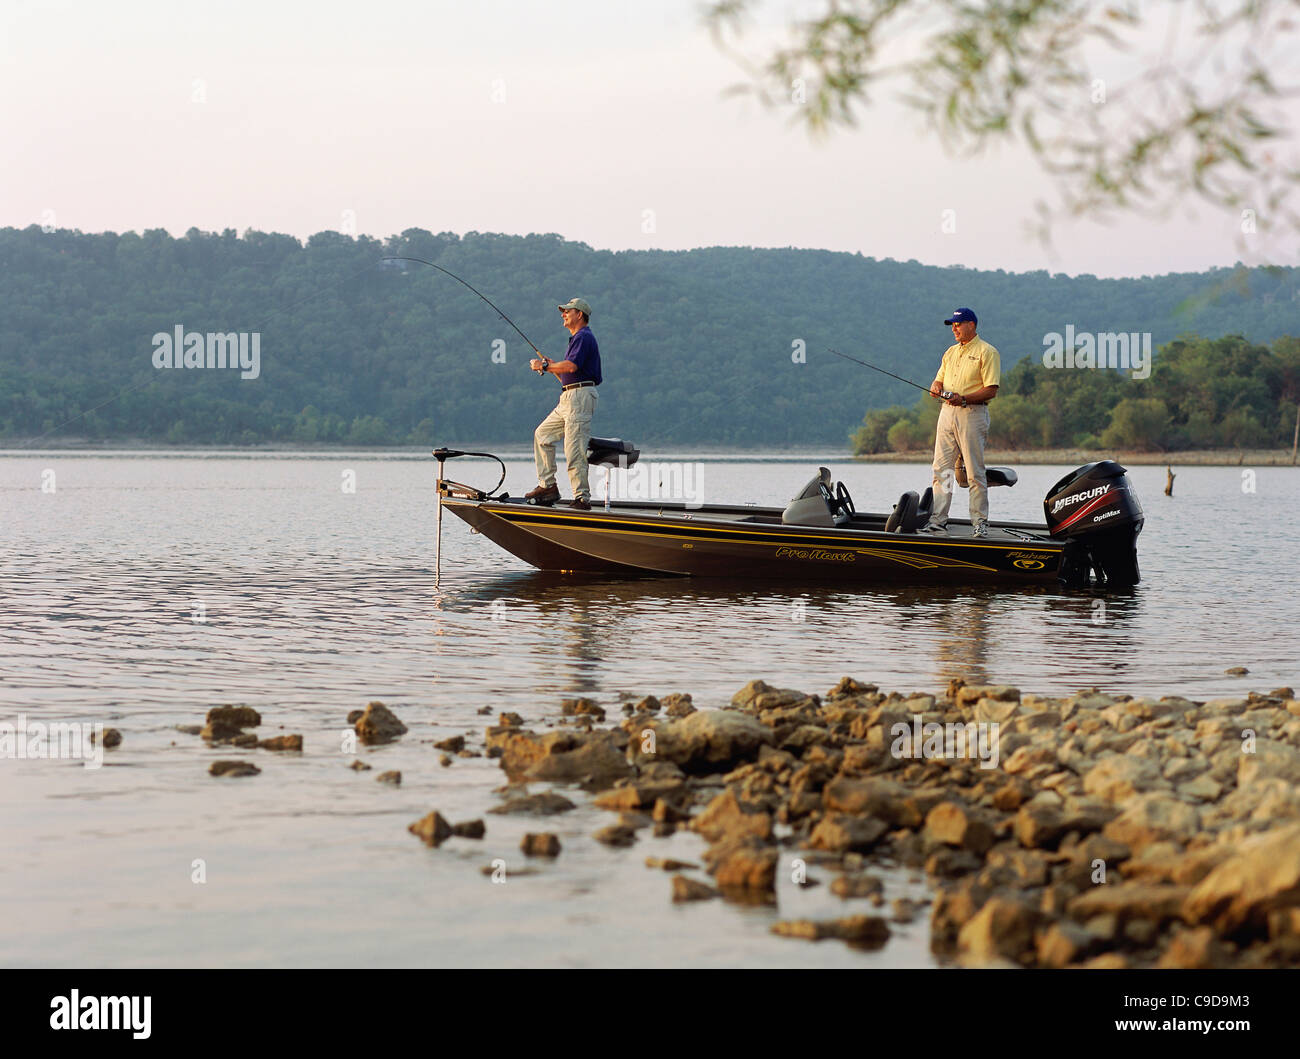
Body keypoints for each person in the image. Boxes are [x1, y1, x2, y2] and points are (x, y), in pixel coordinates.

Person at [921, 307, 1000, 538]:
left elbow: (991, 390)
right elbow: (939, 380)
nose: (954, 328)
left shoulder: (988, 352)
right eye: (952, 325)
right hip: (946, 414)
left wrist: (963, 398)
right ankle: (937, 521)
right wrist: (936, 387)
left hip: (973, 414)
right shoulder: (950, 352)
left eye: (958, 324)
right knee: (942, 469)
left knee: (974, 472)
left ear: (972, 325)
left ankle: (979, 523)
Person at [527, 298, 602, 509]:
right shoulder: (577, 339)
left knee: (574, 450)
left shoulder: (584, 337)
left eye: (567, 311)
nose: (563, 314)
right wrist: (552, 367)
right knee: (542, 435)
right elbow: (568, 375)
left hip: (579, 398)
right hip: (569, 397)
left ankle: (581, 498)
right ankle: (548, 486)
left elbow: (570, 367)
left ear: (579, 314)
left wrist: (544, 365)